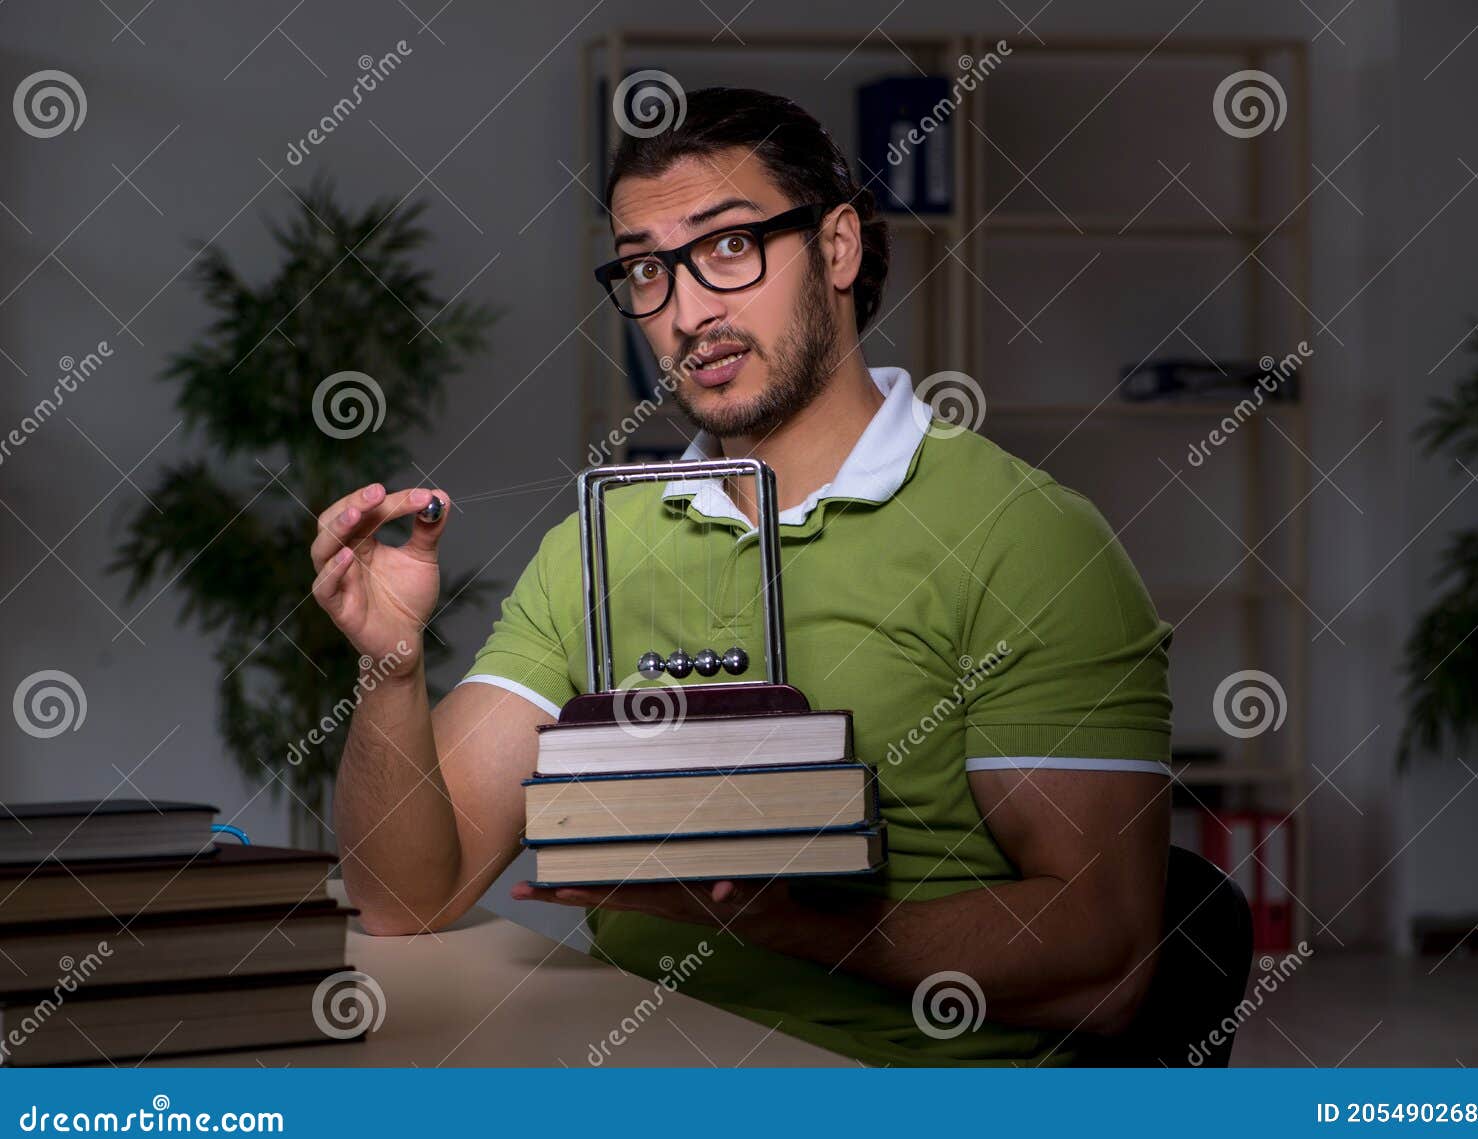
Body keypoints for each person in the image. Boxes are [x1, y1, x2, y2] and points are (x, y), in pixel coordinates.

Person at [311, 87, 1174, 1066]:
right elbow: (404, 899)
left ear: (838, 248)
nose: (687, 313)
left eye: (728, 247)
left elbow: (1106, 966)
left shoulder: (1031, 540)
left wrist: (784, 924)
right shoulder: (600, 544)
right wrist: (391, 665)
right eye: (647, 269)